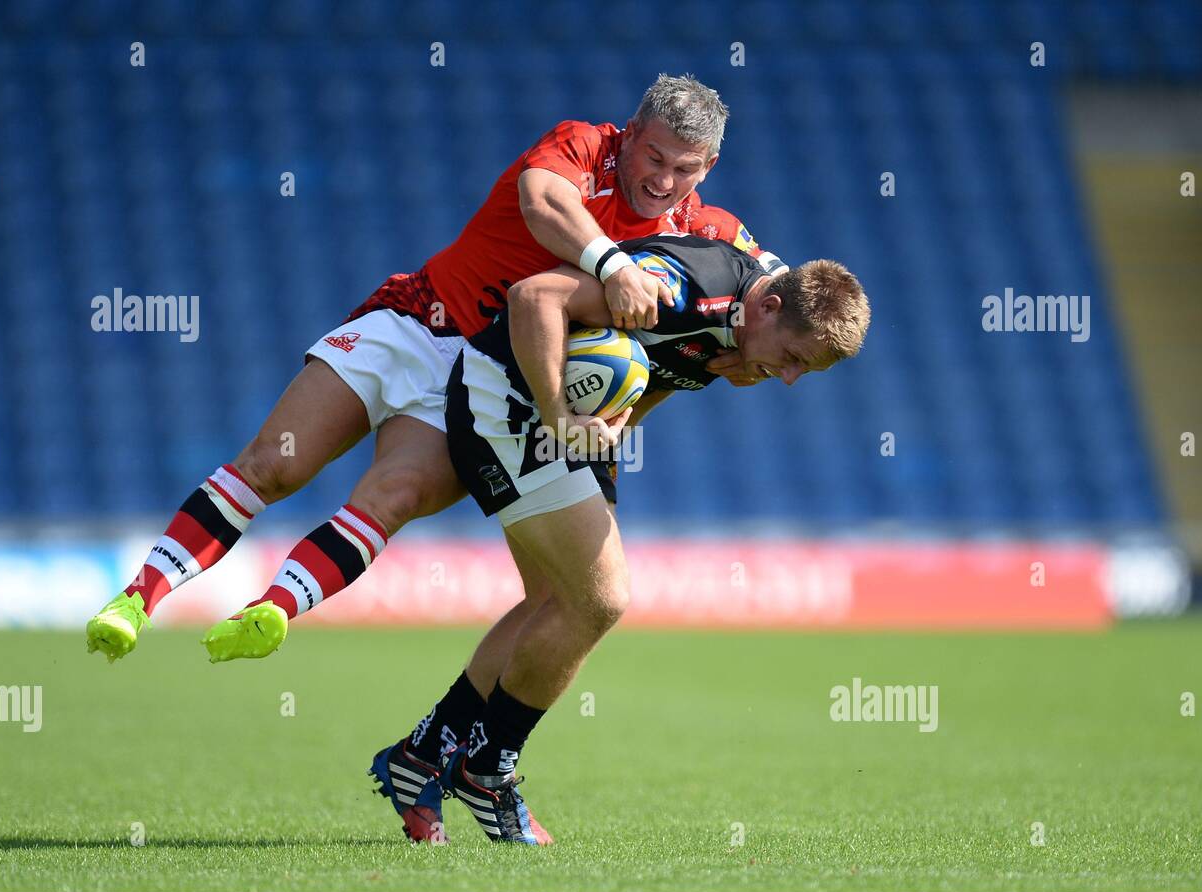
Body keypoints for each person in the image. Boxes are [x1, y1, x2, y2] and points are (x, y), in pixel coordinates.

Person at [85, 73, 785, 663]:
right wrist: (609, 264)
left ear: (708, 169)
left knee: (391, 498)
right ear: (629, 134)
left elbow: (784, 292)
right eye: (653, 157)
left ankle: (268, 611)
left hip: (481, 375)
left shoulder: (709, 232)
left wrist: (752, 353)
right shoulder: (581, 143)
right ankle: (138, 597)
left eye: (683, 169)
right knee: (275, 463)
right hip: (416, 320)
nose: (662, 180)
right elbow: (543, 203)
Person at [370, 234, 871, 844]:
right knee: (601, 598)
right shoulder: (681, 286)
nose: (789, 379)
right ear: (767, 309)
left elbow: (659, 370)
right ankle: (486, 772)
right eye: (793, 357)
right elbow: (534, 297)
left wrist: (613, 427)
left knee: (554, 605)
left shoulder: (759, 311)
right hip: (506, 397)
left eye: (803, 371)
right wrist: (558, 415)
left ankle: (421, 757)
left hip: (569, 422)